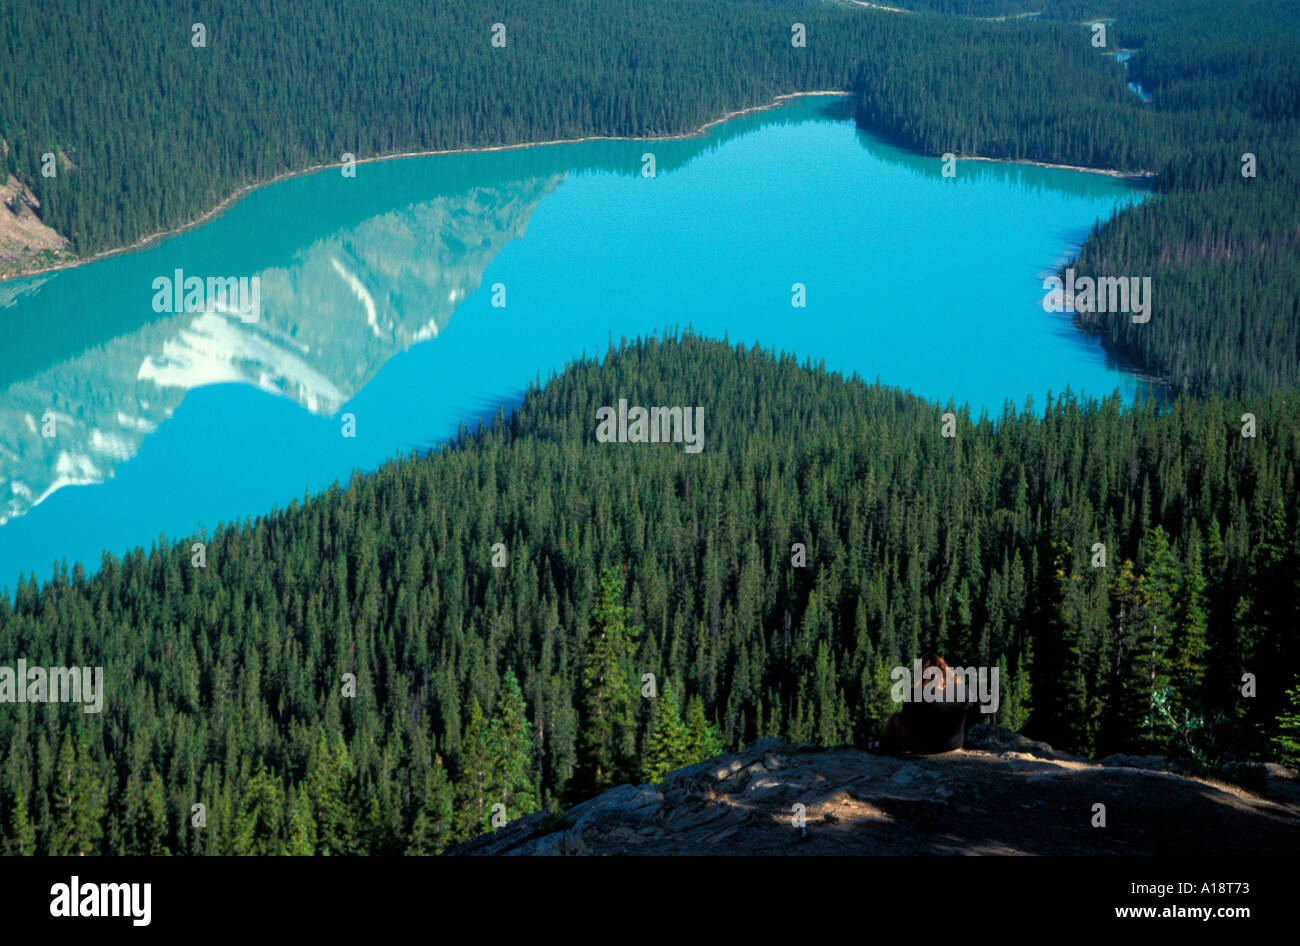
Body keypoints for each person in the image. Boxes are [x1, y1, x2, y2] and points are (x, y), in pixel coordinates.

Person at [869, 652, 980, 754]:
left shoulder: (916, 694)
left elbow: (907, 718)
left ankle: (882, 746)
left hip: (925, 748)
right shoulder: (964, 691)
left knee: (896, 718)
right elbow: (973, 716)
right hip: (953, 745)